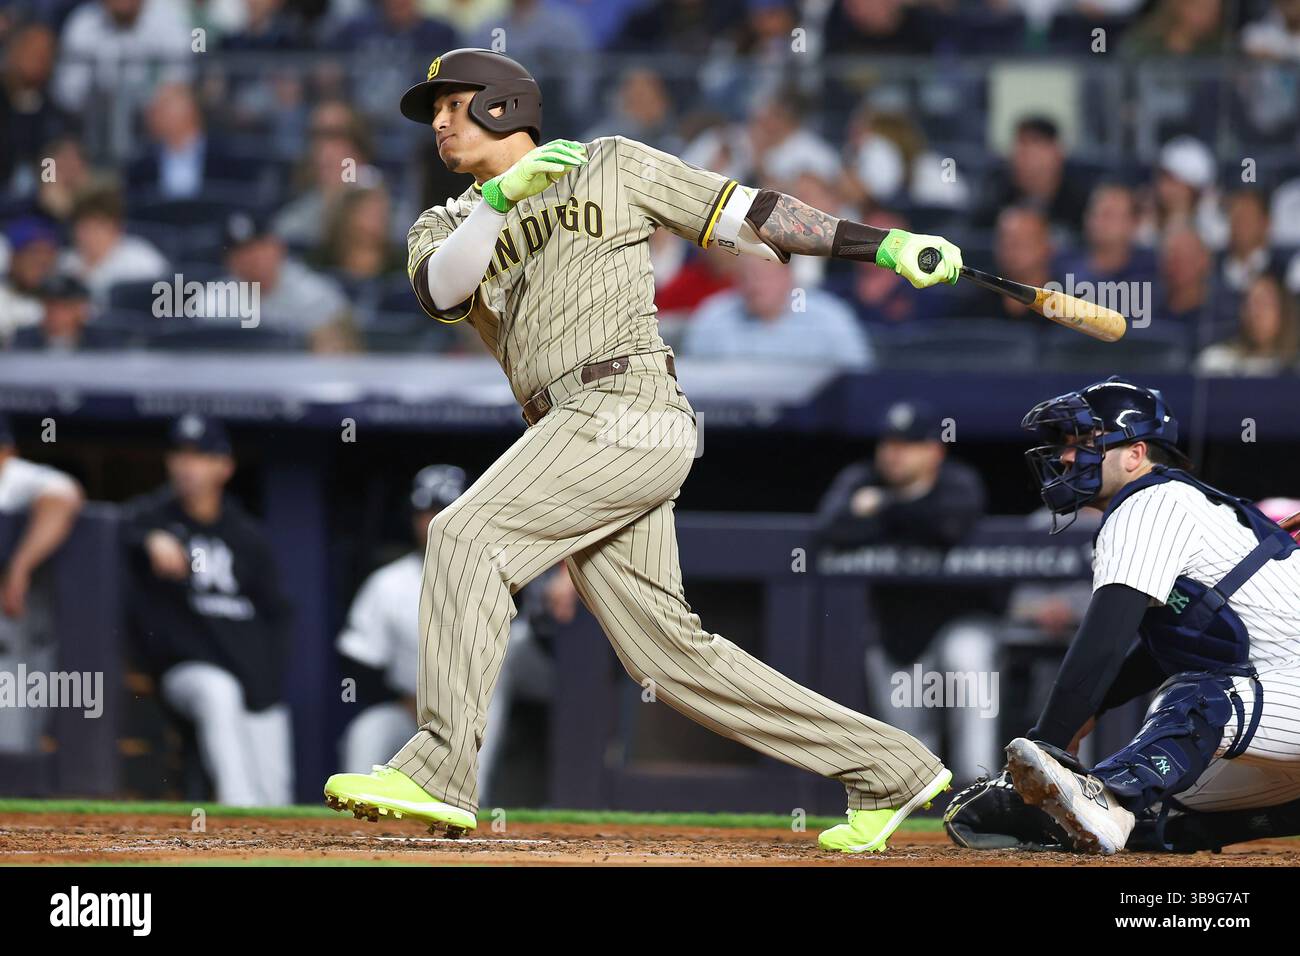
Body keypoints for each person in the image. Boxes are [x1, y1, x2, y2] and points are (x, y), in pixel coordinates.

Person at [323, 47, 967, 854]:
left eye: (451, 105)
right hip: (565, 425)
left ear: (500, 105)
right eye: (436, 114)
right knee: (668, 656)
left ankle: (439, 769)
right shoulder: (448, 220)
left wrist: (884, 244)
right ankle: (888, 767)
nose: (441, 124)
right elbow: (443, 291)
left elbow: (748, 215)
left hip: (626, 403)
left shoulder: (612, 163)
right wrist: (494, 200)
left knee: (462, 536)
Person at [1001, 377, 1300, 854]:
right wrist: (1091, 710)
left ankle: (1107, 792)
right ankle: (1145, 816)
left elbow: (1103, 640)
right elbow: (1177, 645)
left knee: (1196, 698)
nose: (1065, 457)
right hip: (1282, 698)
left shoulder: (1148, 503)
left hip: (1285, 688)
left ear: (1136, 454)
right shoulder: (1170, 502)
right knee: (1161, 814)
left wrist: (1046, 747)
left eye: (1085, 444)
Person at [337, 465, 557, 806]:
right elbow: (357, 661)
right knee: (367, 730)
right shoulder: (388, 583)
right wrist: (404, 701)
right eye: (426, 513)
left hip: (484, 709)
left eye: (445, 511)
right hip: (409, 709)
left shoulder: (506, 572)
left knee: (492, 685)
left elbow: (538, 657)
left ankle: (461, 802)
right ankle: (354, 824)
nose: (434, 523)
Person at [815, 400, 992, 784]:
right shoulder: (860, 477)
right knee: (909, 740)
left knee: (969, 659)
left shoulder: (956, 480)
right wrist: (904, 513)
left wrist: (883, 509)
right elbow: (832, 529)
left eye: (907, 444)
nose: (894, 454)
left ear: (934, 450)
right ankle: (919, 810)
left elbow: (947, 525)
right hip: (897, 628)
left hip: (958, 621)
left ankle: (981, 786)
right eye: (889, 443)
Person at [121, 415, 293, 806]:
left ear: (224, 466)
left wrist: (270, 676)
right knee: (219, 692)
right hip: (187, 672)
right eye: (179, 454)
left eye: (199, 456)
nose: (186, 465)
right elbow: (110, 526)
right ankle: (238, 809)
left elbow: (278, 613)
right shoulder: (151, 518)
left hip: (254, 677)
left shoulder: (247, 536)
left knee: (278, 797)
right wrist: (148, 538)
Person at [0, 413, 84, 752]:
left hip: (17, 639)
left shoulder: (14, 478)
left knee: (13, 741)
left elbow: (64, 496)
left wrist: (19, 566)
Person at [681, 256, 872, 367]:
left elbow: (859, 378)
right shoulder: (713, 316)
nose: (754, 285)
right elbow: (693, 387)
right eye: (746, 276)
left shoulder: (829, 318)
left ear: (787, 276)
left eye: (764, 275)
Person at [1195, 271, 1298, 376]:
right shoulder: (1217, 363)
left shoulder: (1295, 367)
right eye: (1249, 304)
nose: (1255, 312)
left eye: (1264, 303)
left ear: (1284, 311)